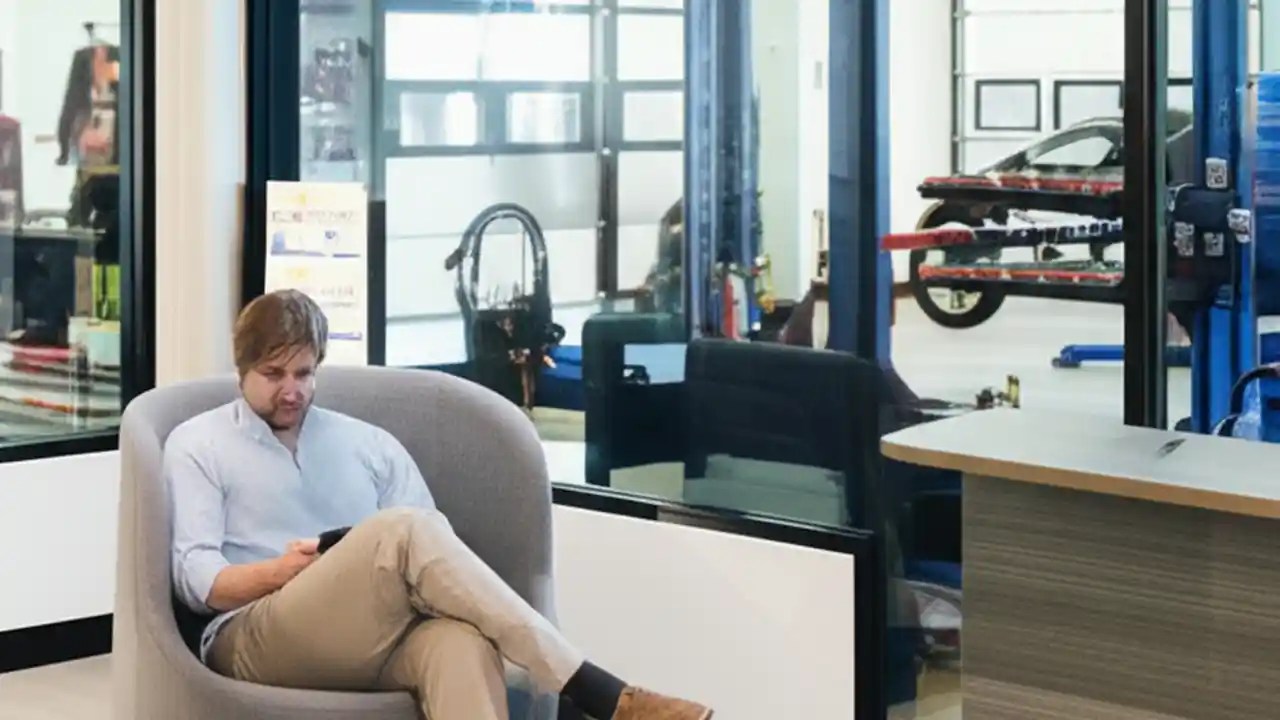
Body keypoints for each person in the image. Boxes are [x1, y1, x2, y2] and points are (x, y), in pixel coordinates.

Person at [167, 289, 713, 720]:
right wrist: (282, 572)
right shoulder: (200, 443)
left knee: (459, 643)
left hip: (371, 635)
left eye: (304, 373)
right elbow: (195, 578)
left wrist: (356, 557)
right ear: (241, 370)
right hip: (252, 636)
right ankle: (600, 693)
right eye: (273, 375)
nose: (291, 390)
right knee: (401, 530)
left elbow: (433, 546)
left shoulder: (367, 444)